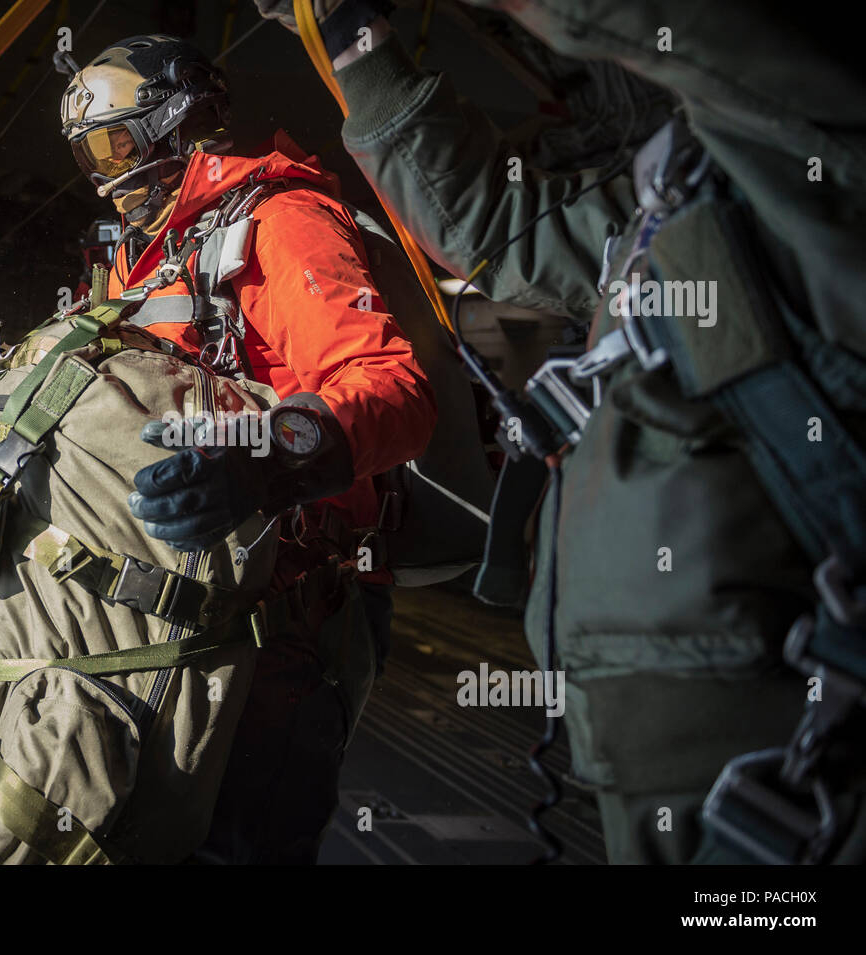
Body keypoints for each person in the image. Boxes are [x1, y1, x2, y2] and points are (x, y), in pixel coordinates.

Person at [251, 0, 866, 864]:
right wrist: (353, 36)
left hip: (804, 773)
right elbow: (495, 228)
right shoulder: (693, 194)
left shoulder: (817, 153)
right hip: (695, 777)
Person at [59, 34, 437, 862]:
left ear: (180, 122)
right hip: (179, 605)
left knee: (240, 845)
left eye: (115, 143)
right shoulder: (141, 264)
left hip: (292, 614)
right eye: (88, 152)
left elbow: (396, 392)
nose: (103, 171)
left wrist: (265, 460)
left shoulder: (283, 223)